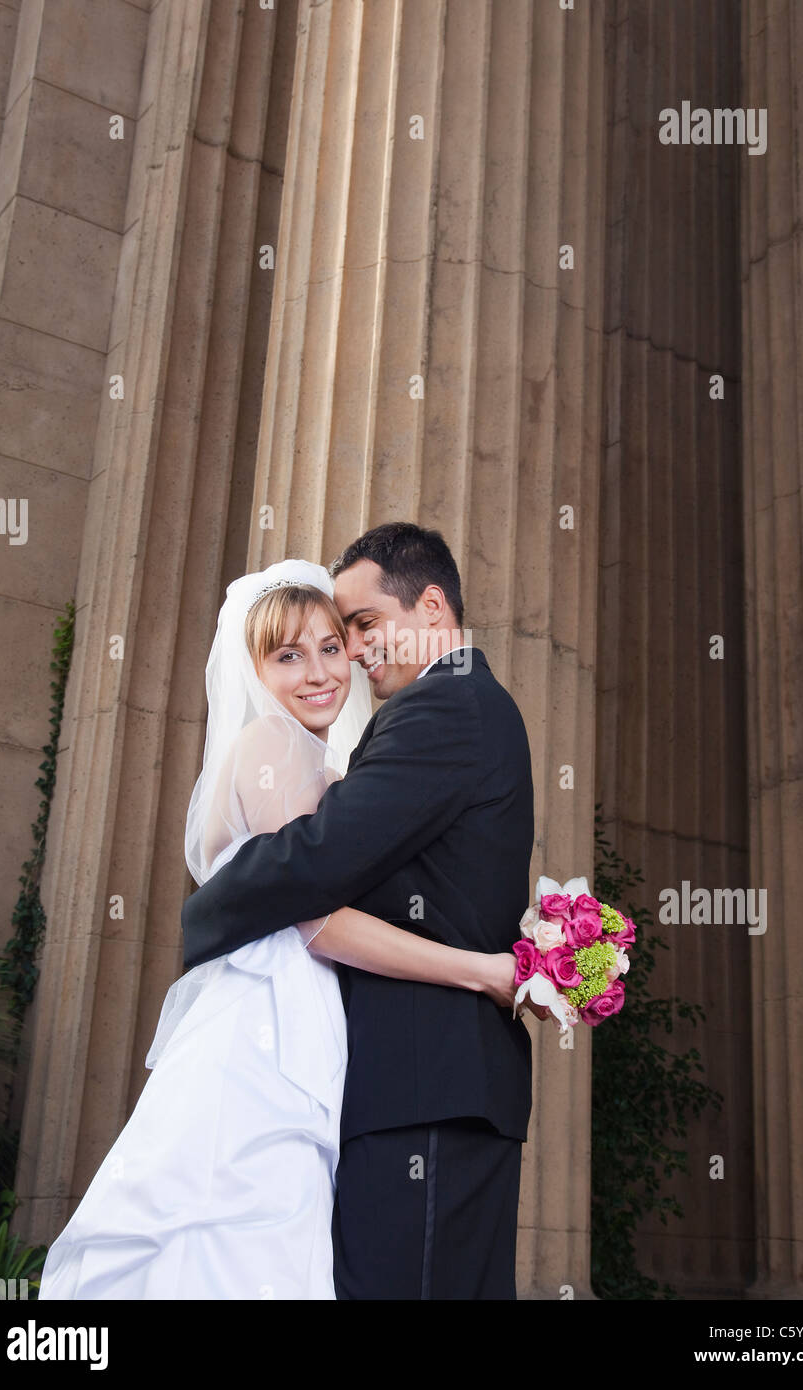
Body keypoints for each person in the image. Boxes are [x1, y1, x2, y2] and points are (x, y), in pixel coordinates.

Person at [37, 557, 519, 1300]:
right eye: (288, 656)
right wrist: (483, 970)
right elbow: (314, 916)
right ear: (252, 669)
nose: (327, 669)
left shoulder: (336, 762)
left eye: (334, 644)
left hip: (322, 1026)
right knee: (240, 1221)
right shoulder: (272, 747)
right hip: (268, 1026)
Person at [181, 523, 537, 1300]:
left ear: (433, 606)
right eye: (342, 635)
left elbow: (319, 859)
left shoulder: (447, 707)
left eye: (364, 625)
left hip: (425, 1081)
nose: (354, 650)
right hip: (422, 1081)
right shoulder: (451, 712)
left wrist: (211, 908)